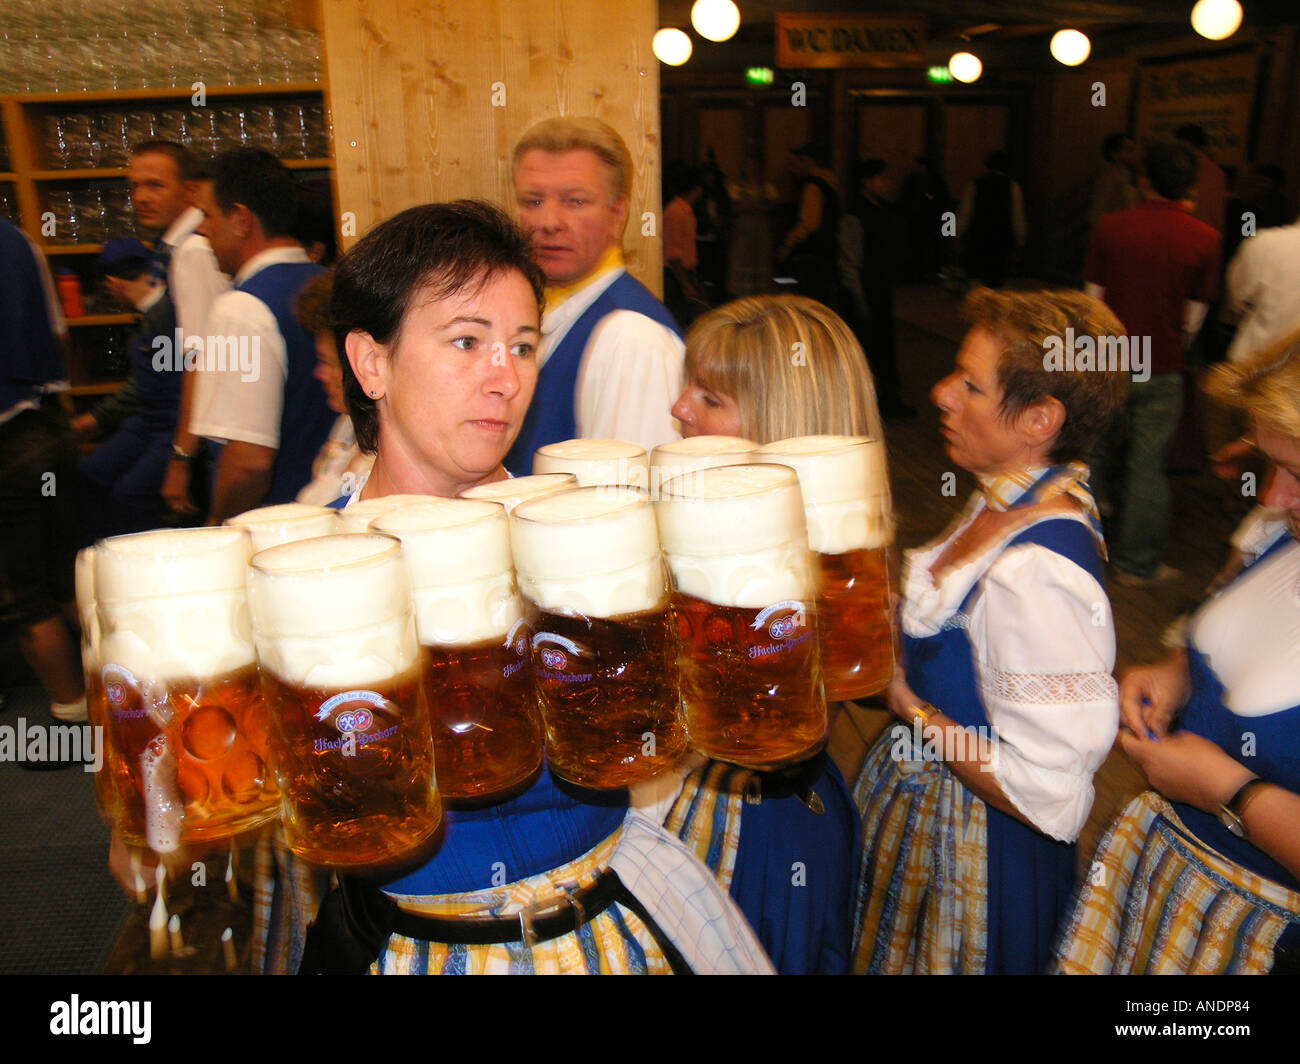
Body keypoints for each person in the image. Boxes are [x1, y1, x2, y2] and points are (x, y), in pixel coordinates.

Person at [252, 201, 772, 976]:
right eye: (467, 341)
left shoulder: (587, 540)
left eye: (523, 346)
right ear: (370, 363)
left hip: (606, 919)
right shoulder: (303, 571)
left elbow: (671, 742)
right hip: (410, 943)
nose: (506, 378)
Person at [852, 287, 1125, 974]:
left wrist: (908, 705)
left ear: (1039, 419)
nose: (942, 393)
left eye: (971, 386)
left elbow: (1050, 796)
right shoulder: (1010, 495)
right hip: (928, 808)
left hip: (975, 849)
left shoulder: (1037, 570)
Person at [1054, 324, 1300, 974]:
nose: (1272, 497)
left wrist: (1228, 790)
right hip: (1179, 893)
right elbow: (1247, 638)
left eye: (1298, 473)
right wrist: (1177, 672)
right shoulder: (1281, 535)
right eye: (1270, 464)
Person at [666, 294, 884, 973]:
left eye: (710, 398)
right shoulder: (709, 517)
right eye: (687, 386)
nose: (678, 407)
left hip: (754, 839)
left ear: (781, 429)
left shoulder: (810, 568)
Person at [504, 117, 684, 470]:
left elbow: (622, 497)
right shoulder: (543, 314)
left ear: (618, 215)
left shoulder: (635, 340)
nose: (548, 222)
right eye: (533, 201)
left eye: (575, 201)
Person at [1085, 138, 1221, 585]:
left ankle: (1077, 549)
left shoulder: (1111, 228)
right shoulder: (1205, 238)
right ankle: (1137, 565)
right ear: (1190, 184)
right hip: (1161, 361)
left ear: (1144, 180)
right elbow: (1194, 315)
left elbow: (1093, 299)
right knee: (1147, 465)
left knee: (1092, 454)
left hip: (1110, 356)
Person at [187, 148, 334, 524]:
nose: (200, 229)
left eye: (207, 215)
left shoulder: (240, 308)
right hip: (330, 511)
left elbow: (249, 462)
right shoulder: (329, 282)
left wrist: (218, 527)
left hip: (273, 527)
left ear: (241, 219)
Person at [117, 142, 230, 523]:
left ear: (190, 190)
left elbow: (205, 357)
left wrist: (181, 456)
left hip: (196, 425)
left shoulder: (193, 250)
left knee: (136, 504)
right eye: (135, 186)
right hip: (178, 415)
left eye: (155, 185)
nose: (140, 197)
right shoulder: (172, 248)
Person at [0, 217, 85, 722]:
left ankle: (72, 716)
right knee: (63, 573)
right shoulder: (21, 241)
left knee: (25, 596)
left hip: (8, 441)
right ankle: (120, 696)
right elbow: (59, 335)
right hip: (49, 427)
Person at [76, 237, 182, 541]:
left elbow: (168, 383)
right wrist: (98, 418)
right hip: (149, 422)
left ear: (113, 283)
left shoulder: (162, 316)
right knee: (89, 473)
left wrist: (96, 418)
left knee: (129, 495)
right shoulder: (156, 312)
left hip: (170, 426)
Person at [838, 158, 913, 418]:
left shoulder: (884, 211)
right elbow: (849, 260)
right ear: (866, 182)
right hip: (863, 291)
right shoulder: (855, 214)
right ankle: (866, 403)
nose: (886, 183)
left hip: (880, 288)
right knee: (866, 348)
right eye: (881, 178)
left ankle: (887, 398)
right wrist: (858, 297)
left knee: (882, 346)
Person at [290, 271, 372, 507]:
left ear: (365, 365)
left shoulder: (388, 460)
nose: (319, 374)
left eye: (327, 362)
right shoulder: (348, 424)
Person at [777, 142, 841, 310]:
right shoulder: (831, 184)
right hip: (827, 253)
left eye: (801, 161)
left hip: (810, 254)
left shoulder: (812, 185)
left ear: (813, 162)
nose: (795, 166)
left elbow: (809, 223)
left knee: (806, 303)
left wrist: (787, 245)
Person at [957, 151, 1027, 288]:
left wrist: (958, 234)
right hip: (1001, 240)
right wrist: (1020, 240)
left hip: (977, 238)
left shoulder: (975, 185)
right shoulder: (1013, 187)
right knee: (996, 281)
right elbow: (1017, 217)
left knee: (976, 280)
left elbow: (965, 213)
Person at [1088, 133, 1140, 233]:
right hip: (1113, 232)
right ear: (1115, 155)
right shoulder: (1109, 178)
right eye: (1129, 150)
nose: (1135, 153)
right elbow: (1097, 213)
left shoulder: (1126, 174)